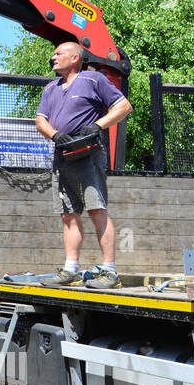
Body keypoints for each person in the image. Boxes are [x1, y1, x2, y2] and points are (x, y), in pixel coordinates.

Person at [34, 42, 132, 288]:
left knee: (97, 210)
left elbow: (123, 107)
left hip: (89, 154)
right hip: (63, 155)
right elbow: (40, 121)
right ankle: (70, 270)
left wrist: (98, 126)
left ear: (75, 57)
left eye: (59, 53)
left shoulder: (93, 79)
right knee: (68, 214)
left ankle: (110, 272)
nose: (53, 57)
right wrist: (55, 135)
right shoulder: (50, 88)